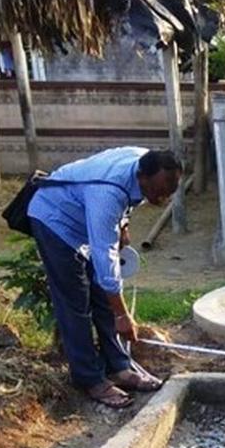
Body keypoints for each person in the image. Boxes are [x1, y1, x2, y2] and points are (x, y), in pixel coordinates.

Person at [27, 147, 183, 409]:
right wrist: (122, 315)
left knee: (103, 296)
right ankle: (89, 379)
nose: (164, 197)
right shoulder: (107, 194)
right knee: (76, 303)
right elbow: (104, 256)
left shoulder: (145, 160)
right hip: (55, 220)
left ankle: (119, 367)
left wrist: (123, 224)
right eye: (158, 191)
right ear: (142, 177)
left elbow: (123, 206)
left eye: (170, 190)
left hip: (83, 214)